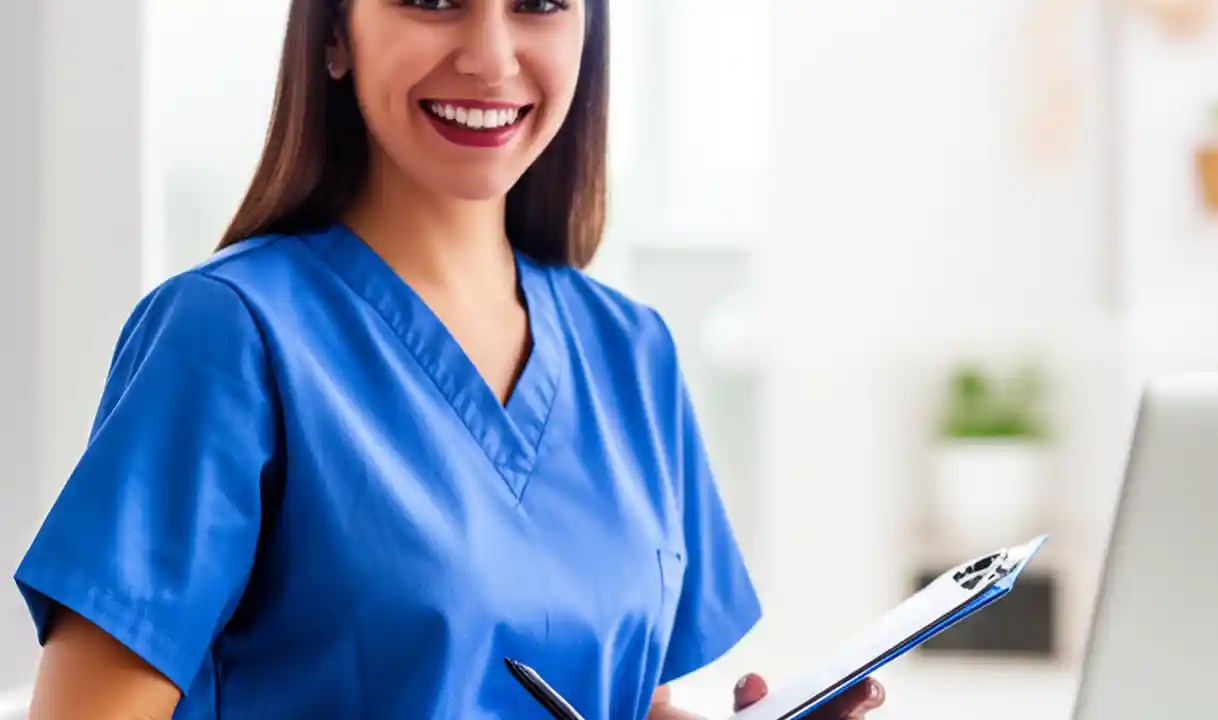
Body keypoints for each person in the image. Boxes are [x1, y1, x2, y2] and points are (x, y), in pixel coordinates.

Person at [14, 1, 886, 718]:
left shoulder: (633, 354)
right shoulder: (228, 335)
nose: (491, 56)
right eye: (433, 1)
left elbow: (620, 697)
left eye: (540, 4)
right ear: (332, 37)